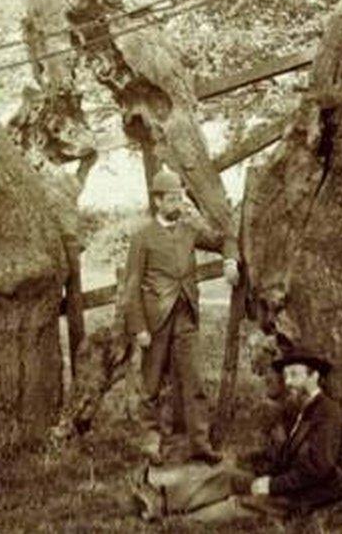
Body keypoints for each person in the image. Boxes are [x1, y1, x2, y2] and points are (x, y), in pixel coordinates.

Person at [127, 339, 342, 523]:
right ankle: (163, 501)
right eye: (287, 375)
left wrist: (271, 485)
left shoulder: (328, 414)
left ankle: (184, 522)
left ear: (314, 376)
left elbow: (318, 469)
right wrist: (262, 474)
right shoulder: (300, 408)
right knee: (228, 477)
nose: (288, 382)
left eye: (295, 375)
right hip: (290, 483)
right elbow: (286, 458)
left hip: (310, 496)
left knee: (240, 504)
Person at [124, 168, 240, 465]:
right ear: (158, 201)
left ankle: (200, 445)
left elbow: (224, 238)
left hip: (186, 315)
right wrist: (138, 327)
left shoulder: (190, 230)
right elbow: (132, 286)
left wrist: (230, 261)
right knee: (150, 386)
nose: (178, 203)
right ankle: (151, 443)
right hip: (155, 320)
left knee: (194, 382)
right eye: (172, 198)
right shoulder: (142, 237)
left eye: (180, 197)